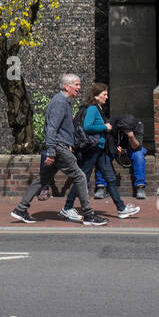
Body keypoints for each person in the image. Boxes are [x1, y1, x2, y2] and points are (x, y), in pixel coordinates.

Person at [11, 74, 108, 226]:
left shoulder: (64, 102)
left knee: (42, 179)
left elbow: (61, 127)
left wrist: (67, 142)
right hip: (58, 147)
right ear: (66, 86)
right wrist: (51, 151)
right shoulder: (59, 102)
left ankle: (21, 209)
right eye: (76, 84)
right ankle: (89, 215)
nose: (79, 88)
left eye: (79, 84)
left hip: (60, 146)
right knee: (80, 176)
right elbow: (51, 128)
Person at [60, 83, 140, 221]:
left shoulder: (97, 108)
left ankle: (121, 208)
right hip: (92, 149)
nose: (107, 97)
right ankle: (67, 208)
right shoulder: (92, 108)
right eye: (104, 94)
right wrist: (104, 126)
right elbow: (87, 126)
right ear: (96, 96)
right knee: (82, 178)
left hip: (99, 149)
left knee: (110, 178)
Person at [94, 112, 147, 200]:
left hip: (132, 149)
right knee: (103, 154)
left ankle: (140, 187)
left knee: (139, 155)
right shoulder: (112, 123)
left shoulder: (138, 125)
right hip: (114, 147)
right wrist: (116, 151)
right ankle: (101, 186)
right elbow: (107, 143)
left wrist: (130, 136)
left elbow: (136, 147)